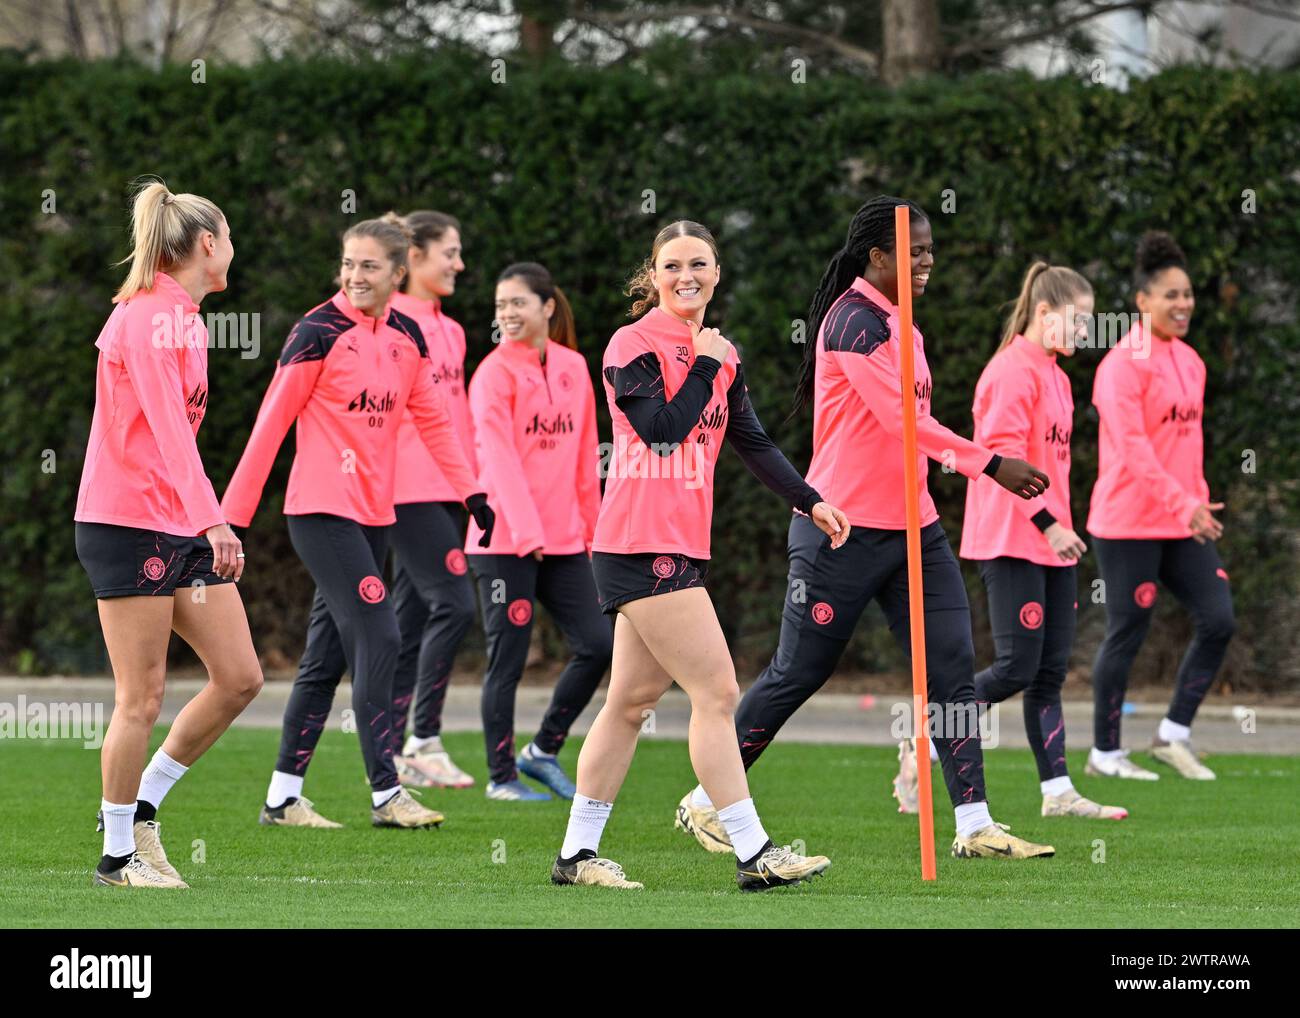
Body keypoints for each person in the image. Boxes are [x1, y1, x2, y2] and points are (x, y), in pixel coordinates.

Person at [673, 196, 1058, 860]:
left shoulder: (903, 326)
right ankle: (705, 799)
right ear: (879, 257)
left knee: (953, 670)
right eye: (916, 252)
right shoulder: (853, 322)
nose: (929, 261)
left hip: (917, 529)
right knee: (798, 671)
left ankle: (973, 825)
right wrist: (990, 463)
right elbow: (903, 424)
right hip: (840, 528)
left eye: (932, 250)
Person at [551, 220, 849, 892]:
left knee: (628, 703)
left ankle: (576, 856)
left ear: (717, 273)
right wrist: (706, 362)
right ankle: (754, 852)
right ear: (652, 275)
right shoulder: (633, 344)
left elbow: (751, 441)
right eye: (673, 265)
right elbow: (660, 433)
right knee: (716, 692)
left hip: (676, 544)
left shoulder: (721, 352)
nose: (687, 276)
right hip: (639, 543)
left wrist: (809, 498)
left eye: (700, 264)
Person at [220, 217, 495, 828]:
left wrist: (472, 492)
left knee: (323, 660)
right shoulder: (316, 332)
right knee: (383, 633)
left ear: (398, 273)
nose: (354, 275)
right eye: (348, 263)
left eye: (368, 266)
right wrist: (230, 519)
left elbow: (434, 421)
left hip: (374, 516)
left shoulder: (406, 338)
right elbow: (269, 428)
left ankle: (282, 798)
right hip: (321, 513)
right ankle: (386, 793)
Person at [76, 178, 263, 887]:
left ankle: (141, 804)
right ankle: (117, 856)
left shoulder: (183, 315)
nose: (234, 250)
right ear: (209, 245)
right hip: (128, 524)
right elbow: (161, 427)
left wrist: (199, 516)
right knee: (142, 697)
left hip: (174, 521)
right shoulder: (149, 315)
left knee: (240, 676)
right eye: (231, 237)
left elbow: (175, 437)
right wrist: (212, 516)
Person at [960, 262, 1126, 819]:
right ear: (1045, 313)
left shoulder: (1056, 374)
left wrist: (1062, 526)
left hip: (1051, 542)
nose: (1086, 332)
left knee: (1050, 671)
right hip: (1012, 539)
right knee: (1015, 668)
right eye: (1079, 320)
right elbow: (1004, 464)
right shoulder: (1010, 372)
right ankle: (928, 732)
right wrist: (1048, 524)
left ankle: (1058, 792)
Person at [1085, 231, 1233, 782]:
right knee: (1129, 629)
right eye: (1171, 294)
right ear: (1143, 301)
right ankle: (1104, 753)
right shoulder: (1121, 365)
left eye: (1188, 294)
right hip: (1127, 523)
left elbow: (1185, 445)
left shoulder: (1192, 362)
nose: (1184, 304)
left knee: (1219, 619)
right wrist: (1181, 501)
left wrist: (1194, 498)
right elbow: (1135, 450)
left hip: (1181, 519)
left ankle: (1173, 735)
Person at [467, 262, 611, 801]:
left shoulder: (575, 366)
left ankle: (543, 750)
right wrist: (527, 535)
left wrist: (594, 535)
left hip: (565, 540)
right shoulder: (492, 374)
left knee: (598, 645)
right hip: (504, 543)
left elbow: (582, 460)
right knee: (508, 658)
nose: (507, 313)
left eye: (518, 303)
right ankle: (501, 777)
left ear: (547, 308)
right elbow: (498, 459)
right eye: (501, 305)